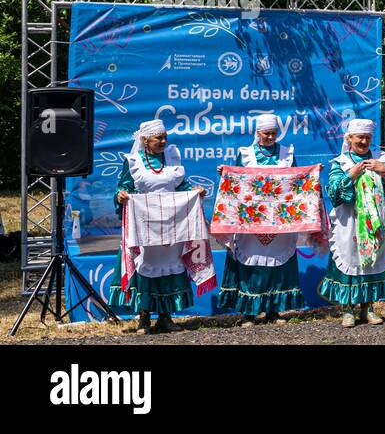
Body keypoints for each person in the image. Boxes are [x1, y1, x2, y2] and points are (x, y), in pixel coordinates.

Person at [109, 119, 208, 334]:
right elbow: (123, 186)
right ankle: (144, 317)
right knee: (146, 266)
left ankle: (166, 317)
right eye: (158, 138)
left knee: (169, 265)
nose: (163, 141)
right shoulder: (133, 161)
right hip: (145, 225)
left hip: (172, 225)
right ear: (145, 140)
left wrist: (194, 190)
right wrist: (121, 195)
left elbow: (182, 185)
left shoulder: (172, 158)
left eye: (165, 137)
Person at [219, 113, 304, 326]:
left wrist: (309, 175)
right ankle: (249, 312)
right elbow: (236, 180)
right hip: (252, 222)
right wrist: (226, 173)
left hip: (280, 222)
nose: (270, 137)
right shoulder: (245, 154)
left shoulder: (287, 153)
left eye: (274, 134)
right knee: (252, 263)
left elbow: (296, 181)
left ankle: (273, 310)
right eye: (266, 133)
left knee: (278, 263)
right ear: (257, 133)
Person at [320, 119, 385, 328]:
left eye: (367, 137)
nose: (363, 141)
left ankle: (368, 307)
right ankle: (348, 310)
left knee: (371, 263)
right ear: (349, 138)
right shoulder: (340, 162)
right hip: (350, 222)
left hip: (375, 223)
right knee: (352, 259)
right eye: (359, 137)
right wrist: (350, 175)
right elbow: (333, 192)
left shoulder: (380, 159)